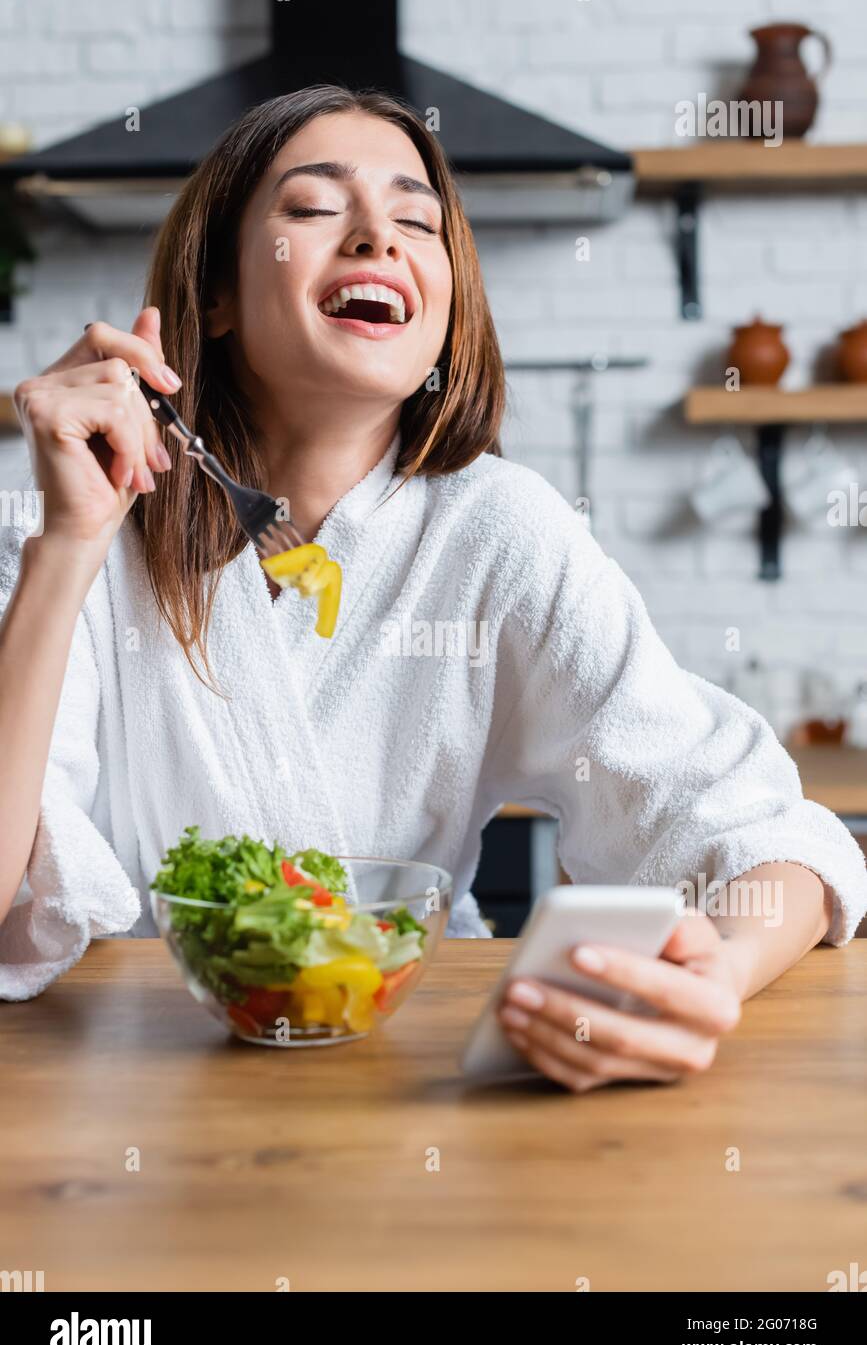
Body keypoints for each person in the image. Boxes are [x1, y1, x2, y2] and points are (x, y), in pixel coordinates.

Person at [1, 86, 864, 1093]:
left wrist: (719, 970)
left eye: (418, 220)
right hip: (121, 1084)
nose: (378, 236)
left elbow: (760, 833)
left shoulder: (501, 530)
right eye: (315, 210)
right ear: (220, 294)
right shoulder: (72, 528)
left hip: (401, 1069)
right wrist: (64, 548)